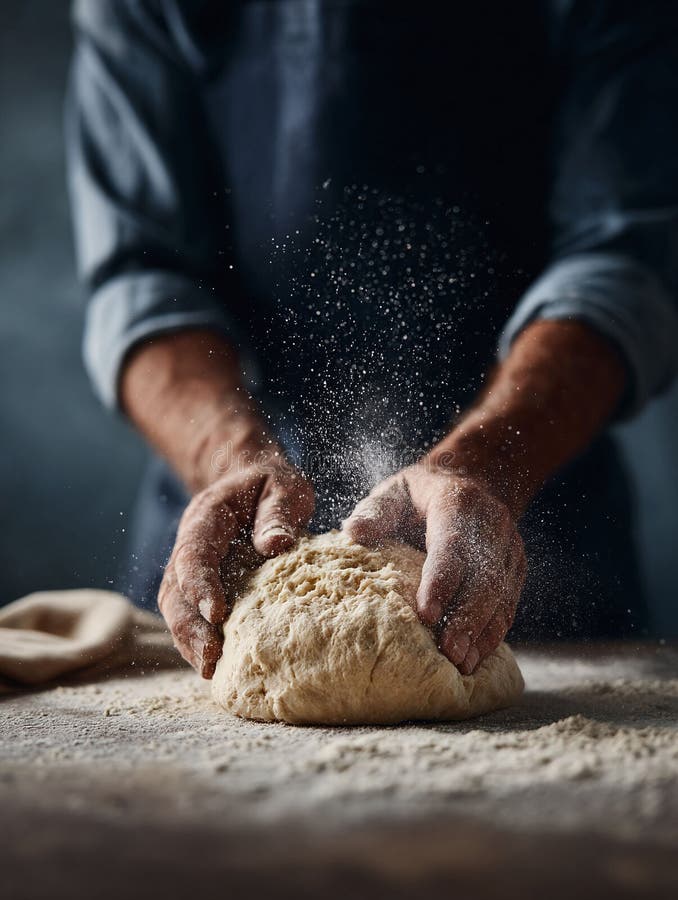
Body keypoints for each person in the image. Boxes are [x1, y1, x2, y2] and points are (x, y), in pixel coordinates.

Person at [67, 0, 678, 678]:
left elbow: (627, 260)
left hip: (537, 529)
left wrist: (490, 464)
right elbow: (143, 274)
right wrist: (228, 458)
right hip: (231, 564)